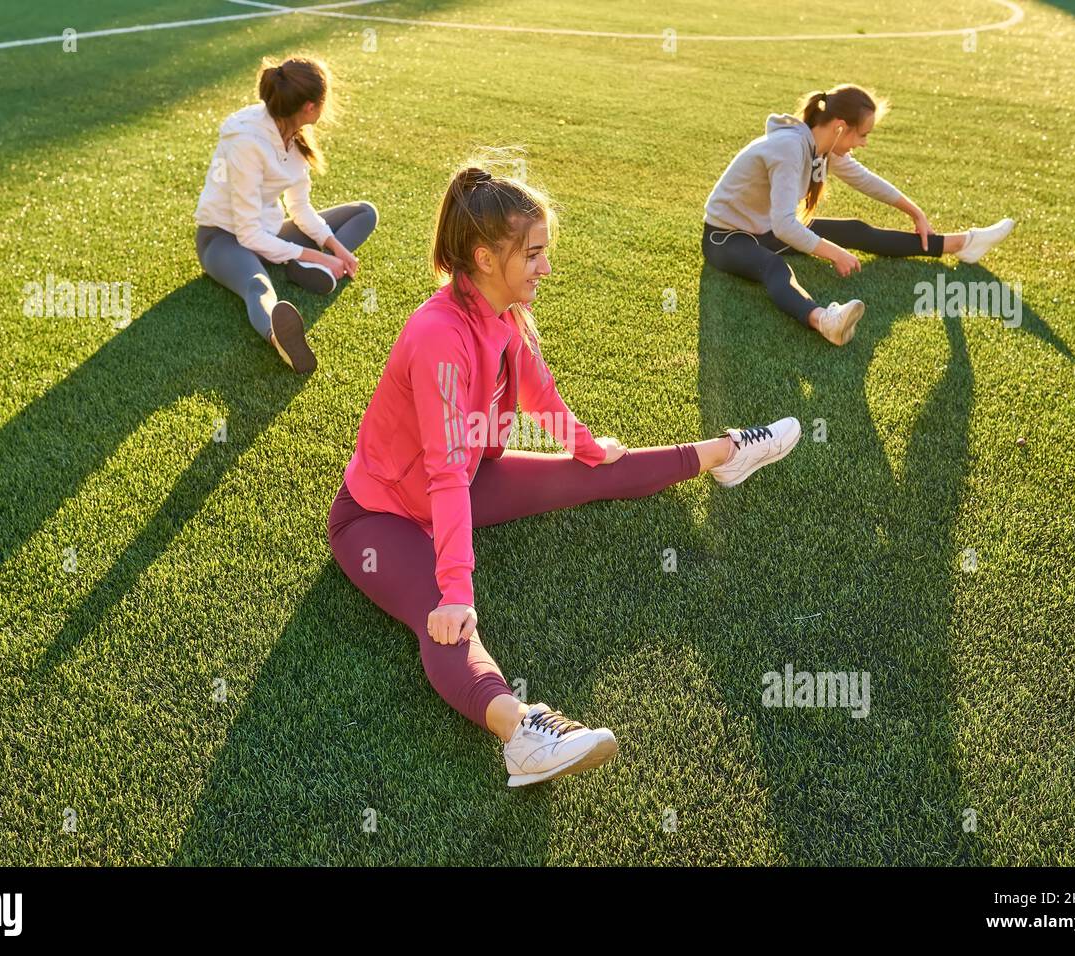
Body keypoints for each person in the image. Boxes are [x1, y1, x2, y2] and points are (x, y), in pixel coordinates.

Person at [328, 161, 802, 787]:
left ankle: (725, 453)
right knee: (440, 617)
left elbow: (540, 394)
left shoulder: (505, 312)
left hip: (468, 479)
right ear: (484, 256)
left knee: (593, 471)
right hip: (380, 517)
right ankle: (520, 731)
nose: (544, 268)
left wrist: (584, 444)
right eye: (532, 255)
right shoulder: (438, 335)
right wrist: (458, 589)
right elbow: (442, 476)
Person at [703, 84, 1014, 346]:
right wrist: (834, 253)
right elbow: (785, 225)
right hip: (726, 237)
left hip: (764, 229)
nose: (863, 143)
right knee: (772, 266)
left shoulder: (822, 147)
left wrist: (914, 211)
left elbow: (865, 180)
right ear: (840, 126)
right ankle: (824, 321)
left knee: (855, 229)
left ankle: (962, 243)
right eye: (862, 135)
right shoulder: (788, 148)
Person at [195, 55, 378, 373]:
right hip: (223, 239)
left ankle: (299, 265)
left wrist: (336, 248)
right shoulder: (245, 141)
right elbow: (247, 234)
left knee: (364, 213)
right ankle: (279, 339)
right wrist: (319, 255)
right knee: (258, 285)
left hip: (268, 231)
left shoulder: (296, 135)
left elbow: (301, 208)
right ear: (309, 107)